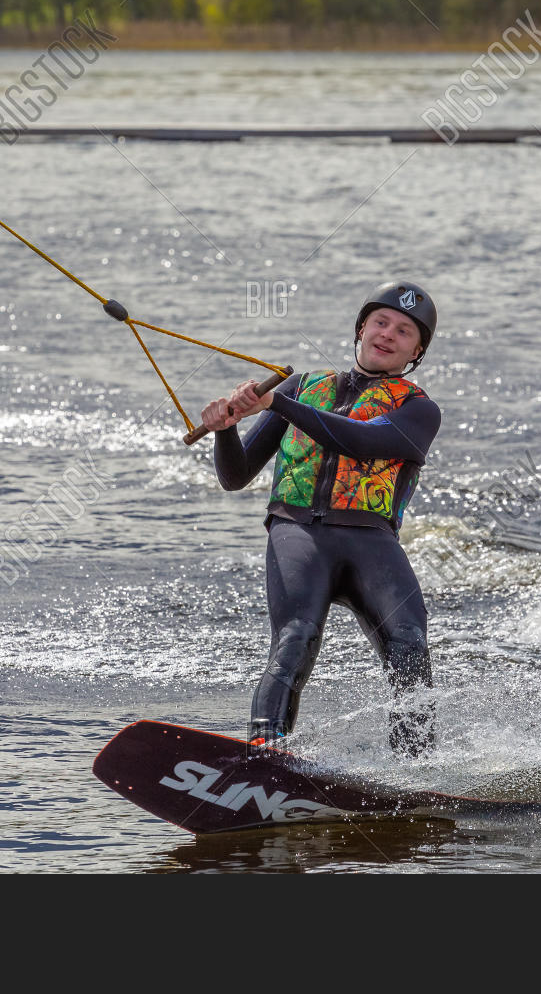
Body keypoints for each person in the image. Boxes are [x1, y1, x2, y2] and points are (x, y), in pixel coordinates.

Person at [201, 281, 443, 756]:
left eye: (404, 330)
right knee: (296, 638)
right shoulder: (302, 386)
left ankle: (417, 771)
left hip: (370, 543)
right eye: (380, 321)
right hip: (298, 535)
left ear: (416, 350)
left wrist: (278, 404)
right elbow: (236, 476)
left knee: (409, 644)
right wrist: (224, 431)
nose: (388, 333)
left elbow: (361, 440)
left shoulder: (419, 410)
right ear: (361, 328)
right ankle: (265, 749)